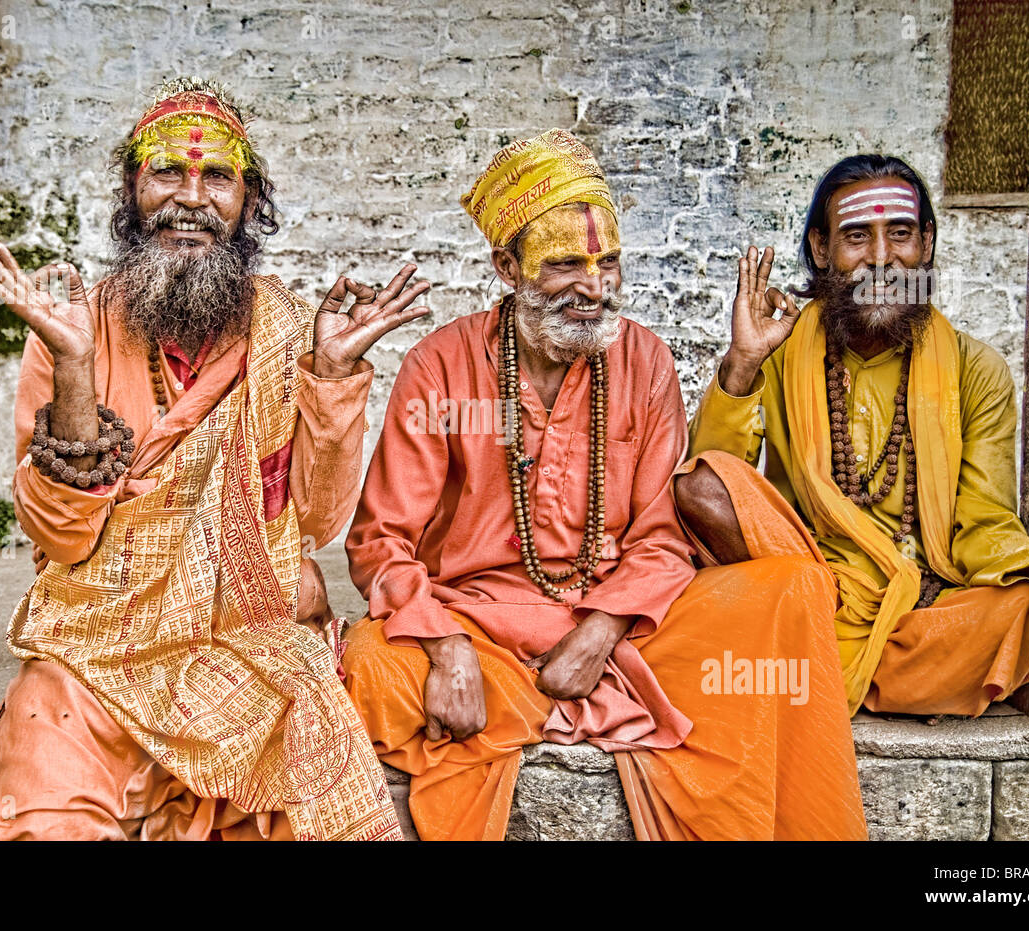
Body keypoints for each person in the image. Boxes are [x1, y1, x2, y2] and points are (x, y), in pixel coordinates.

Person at [340, 130, 867, 841]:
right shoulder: (440, 366)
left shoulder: (643, 359)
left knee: (791, 592)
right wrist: (445, 647)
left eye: (608, 262)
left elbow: (659, 536)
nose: (595, 286)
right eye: (564, 263)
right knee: (374, 669)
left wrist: (602, 628)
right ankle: (526, 691)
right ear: (507, 266)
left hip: (628, 628)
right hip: (481, 626)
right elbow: (380, 542)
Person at [0, 78, 425, 840]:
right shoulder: (73, 328)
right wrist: (73, 369)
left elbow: (317, 517)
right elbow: (63, 539)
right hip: (96, 651)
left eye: (217, 176)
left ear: (248, 201)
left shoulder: (292, 332)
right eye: (167, 172)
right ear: (132, 189)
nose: (192, 197)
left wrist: (334, 378)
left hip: (249, 646)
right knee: (42, 806)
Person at [683, 153, 1029, 718]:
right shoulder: (778, 357)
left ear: (924, 245)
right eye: (856, 236)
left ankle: (813, 667)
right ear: (821, 249)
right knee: (699, 492)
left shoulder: (976, 371)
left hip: (924, 598)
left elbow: (983, 521)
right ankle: (876, 676)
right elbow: (712, 482)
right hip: (812, 585)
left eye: (899, 234)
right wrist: (743, 363)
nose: (882, 260)